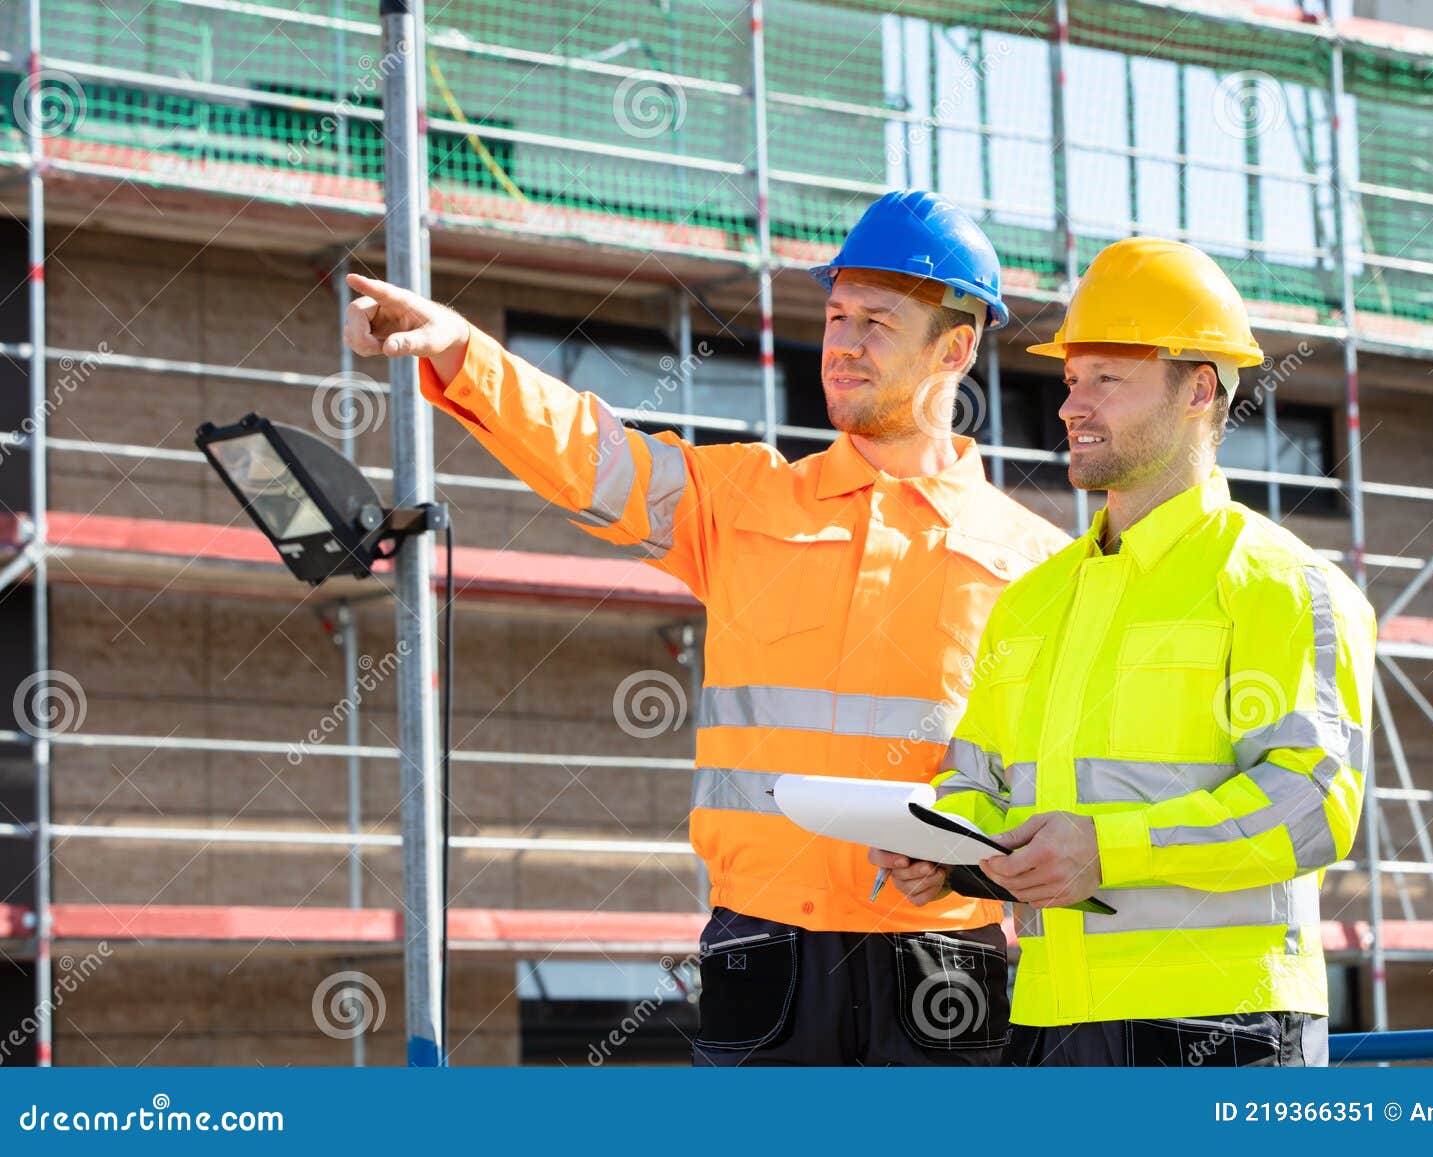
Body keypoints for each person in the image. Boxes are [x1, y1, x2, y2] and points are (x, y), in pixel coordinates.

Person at [343, 190, 1069, 1065]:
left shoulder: (1038, 562)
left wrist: (973, 865)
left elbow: (1047, 774)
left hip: (944, 955)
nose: (842, 342)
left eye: (877, 322)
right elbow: (589, 454)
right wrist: (466, 353)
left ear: (954, 347)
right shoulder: (743, 501)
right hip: (765, 949)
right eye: (837, 315)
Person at [875, 236, 1376, 1067]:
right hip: (1046, 1017)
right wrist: (943, 845)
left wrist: (1109, 850)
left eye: (1108, 378)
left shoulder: (1282, 584)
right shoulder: (1032, 601)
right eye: (1073, 380)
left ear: (1198, 389)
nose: (1073, 406)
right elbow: (977, 781)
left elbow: (1312, 804)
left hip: (1224, 1025)